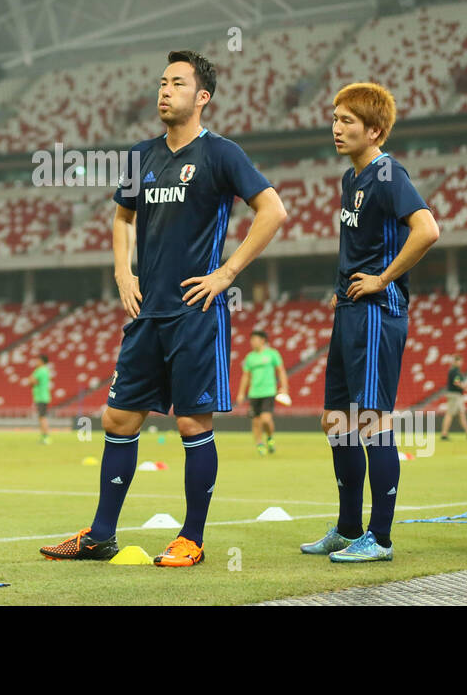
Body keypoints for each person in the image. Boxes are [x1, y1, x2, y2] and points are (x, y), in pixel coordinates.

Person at [39, 50, 286, 567]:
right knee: (118, 416)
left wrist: (227, 273)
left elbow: (272, 209)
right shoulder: (141, 155)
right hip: (148, 314)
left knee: (193, 426)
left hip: (195, 313)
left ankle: (191, 538)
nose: (164, 90)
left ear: (202, 98)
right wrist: (122, 272)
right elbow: (123, 218)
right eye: (161, 82)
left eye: (177, 83)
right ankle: (101, 535)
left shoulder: (221, 154)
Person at [300, 83, 439, 563]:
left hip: (379, 313)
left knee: (373, 422)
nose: (336, 128)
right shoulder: (350, 178)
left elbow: (427, 229)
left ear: (375, 130)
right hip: (350, 312)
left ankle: (379, 539)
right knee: (338, 422)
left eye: (347, 121)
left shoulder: (387, 172)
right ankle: (347, 527)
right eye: (335, 118)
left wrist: (382, 278)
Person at [237, 330, 286, 454]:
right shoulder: (250, 357)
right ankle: (259, 444)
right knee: (256, 422)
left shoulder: (272, 354)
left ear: (263, 340)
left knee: (266, 419)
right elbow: (246, 376)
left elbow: (281, 371)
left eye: (255, 339)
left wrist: (284, 387)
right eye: (251, 340)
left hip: (268, 392)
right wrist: (241, 393)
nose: (252, 342)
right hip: (254, 393)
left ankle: (269, 437)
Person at [439, 355, 467, 439]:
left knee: (461, 414)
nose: (461, 363)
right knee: (450, 414)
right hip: (454, 395)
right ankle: (444, 434)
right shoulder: (455, 371)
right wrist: (465, 387)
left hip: (457, 395)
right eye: (459, 361)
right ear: (455, 362)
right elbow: (457, 382)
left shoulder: (454, 371)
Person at [30, 354, 53, 444]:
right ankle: (44, 436)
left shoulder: (40, 370)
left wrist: (31, 378)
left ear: (42, 361)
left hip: (41, 397)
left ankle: (46, 437)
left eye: (38, 360)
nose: (36, 362)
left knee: (42, 417)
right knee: (41, 417)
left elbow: (32, 381)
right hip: (42, 396)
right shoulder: (45, 370)